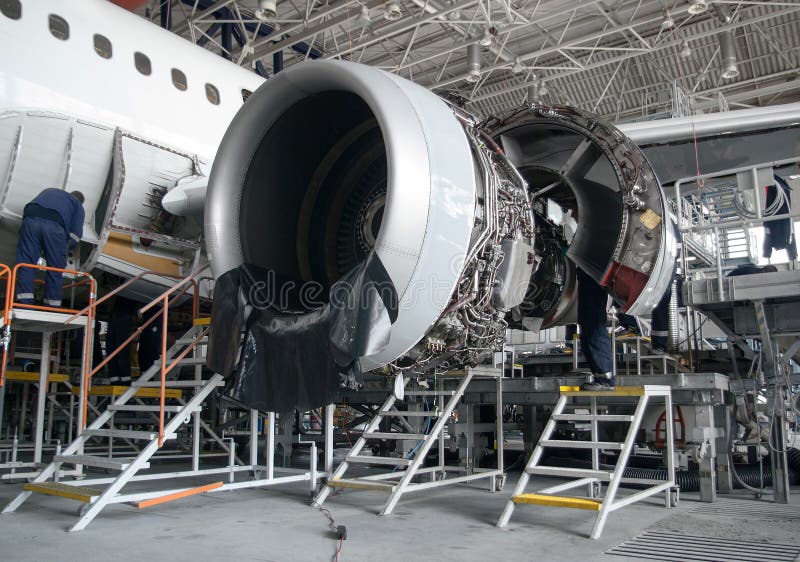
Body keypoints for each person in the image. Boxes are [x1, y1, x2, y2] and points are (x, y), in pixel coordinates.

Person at [15, 188, 85, 307]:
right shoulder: (77, 204)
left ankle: (24, 301)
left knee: (26, 263)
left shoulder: (51, 191)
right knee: (55, 268)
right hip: (54, 227)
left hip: (30, 219)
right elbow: (75, 235)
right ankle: (52, 304)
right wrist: (65, 248)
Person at [576, 267, 615, 391]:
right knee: (587, 332)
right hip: (588, 278)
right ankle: (600, 378)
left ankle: (605, 380)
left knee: (595, 331)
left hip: (593, 278)